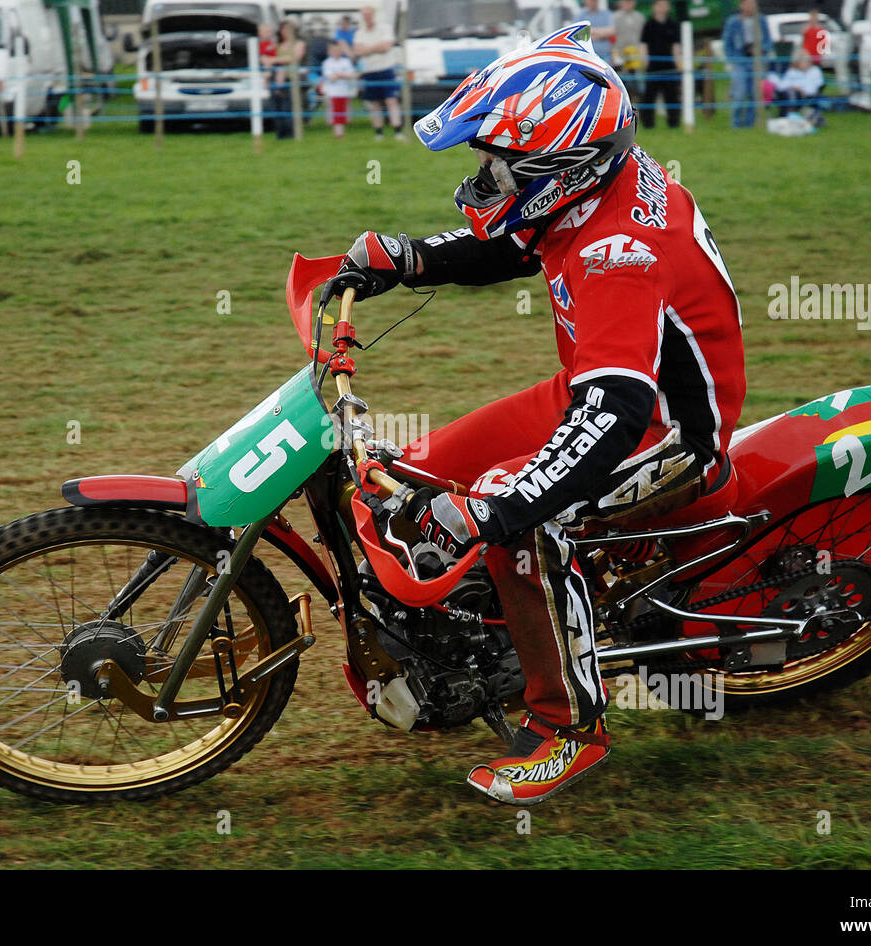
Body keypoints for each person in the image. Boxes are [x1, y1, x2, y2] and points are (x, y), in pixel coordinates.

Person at [325, 21, 745, 805]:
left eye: (499, 166)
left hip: (667, 431)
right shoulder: (591, 180)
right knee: (412, 472)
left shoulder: (620, 253)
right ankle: (473, 639)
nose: (484, 179)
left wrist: (498, 508)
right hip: (597, 387)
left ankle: (567, 729)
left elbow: (616, 413)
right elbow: (520, 240)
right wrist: (412, 257)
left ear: (563, 167)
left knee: (519, 524)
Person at [352, 4, 403, 140]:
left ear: (373, 15)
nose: (367, 17)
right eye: (364, 15)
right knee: (374, 103)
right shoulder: (359, 33)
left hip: (386, 69)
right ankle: (379, 132)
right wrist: (376, 47)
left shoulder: (385, 29)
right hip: (369, 71)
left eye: (369, 14)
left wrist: (367, 49)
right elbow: (358, 50)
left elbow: (386, 47)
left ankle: (398, 131)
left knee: (391, 100)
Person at [722, 0, 773, 128]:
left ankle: (750, 123)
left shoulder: (761, 20)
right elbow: (727, 42)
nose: (750, 6)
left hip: (756, 60)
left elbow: (768, 40)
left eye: (753, 3)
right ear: (741, 5)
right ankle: (736, 123)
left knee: (754, 93)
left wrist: (762, 49)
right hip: (740, 60)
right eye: (747, 3)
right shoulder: (733, 21)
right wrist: (732, 59)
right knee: (739, 93)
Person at [639, 0, 681, 128]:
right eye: (660, 4)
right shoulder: (649, 25)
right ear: (654, 7)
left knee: (672, 97)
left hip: (669, 67)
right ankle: (648, 124)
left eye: (665, 4)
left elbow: (676, 46)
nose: (662, 7)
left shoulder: (673, 25)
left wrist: (678, 63)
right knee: (649, 97)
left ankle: (674, 124)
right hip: (653, 67)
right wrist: (645, 61)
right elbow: (644, 44)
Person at [263, 19, 305, 138]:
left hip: (290, 79)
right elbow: (266, 57)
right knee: (276, 107)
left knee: (288, 107)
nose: (285, 32)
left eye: (288, 29)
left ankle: (291, 133)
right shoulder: (277, 45)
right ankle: (280, 133)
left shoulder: (299, 44)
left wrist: (272, 60)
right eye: (283, 29)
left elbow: (294, 58)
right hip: (275, 78)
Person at [320, 40, 356, 137]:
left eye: (338, 50)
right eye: (334, 50)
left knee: (343, 113)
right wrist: (342, 74)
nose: (336, 52)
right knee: (335, 113)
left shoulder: (346, 61)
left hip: (344, 91)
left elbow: (351, 75)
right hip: (332, 92)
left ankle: (341, 132)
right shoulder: (327, 63)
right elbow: (331, 77)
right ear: (329, 51)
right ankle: (338, 134)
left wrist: (338, 74)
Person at [776, 51, 824, 116]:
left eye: (805, 61)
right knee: (790, 93)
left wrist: (802, 90)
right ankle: (789, 113)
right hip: (791, 94)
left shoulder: (815, 71)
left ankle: (789, 114)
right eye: (801, 61)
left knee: (792, 95)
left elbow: (816, 87)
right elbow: (781, 86)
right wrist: (793, 87)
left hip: (807, 96)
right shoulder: (792, 72)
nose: (804, 63)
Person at [612, 0, 645, 94]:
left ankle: (636, 105)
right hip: (620, 56)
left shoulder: (640, 18)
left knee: (636, 85)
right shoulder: (615, 17)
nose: (628, 3)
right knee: (620, 83)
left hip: (636, 56)